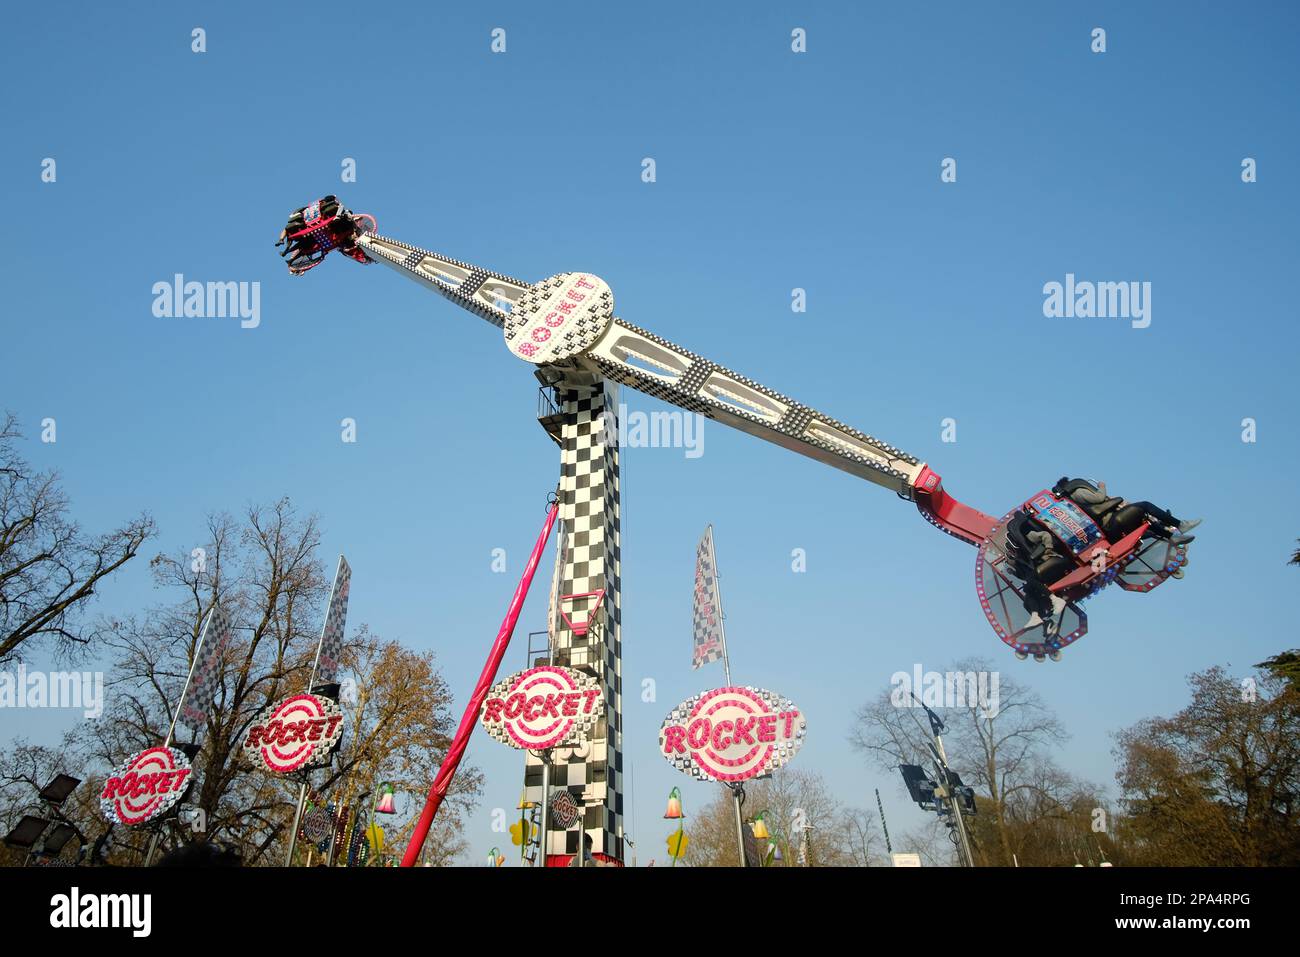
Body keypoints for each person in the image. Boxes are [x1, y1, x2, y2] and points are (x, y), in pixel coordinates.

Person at [1052, 477, 1199, 546]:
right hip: (1111, 521)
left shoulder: (1071, 500)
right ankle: (1180, 525)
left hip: (1110, 523)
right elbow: (1099, 498)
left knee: (1143, 519)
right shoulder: (1077, 492)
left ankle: (1171, 537)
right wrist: (1102, 486)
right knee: (1145, 506)